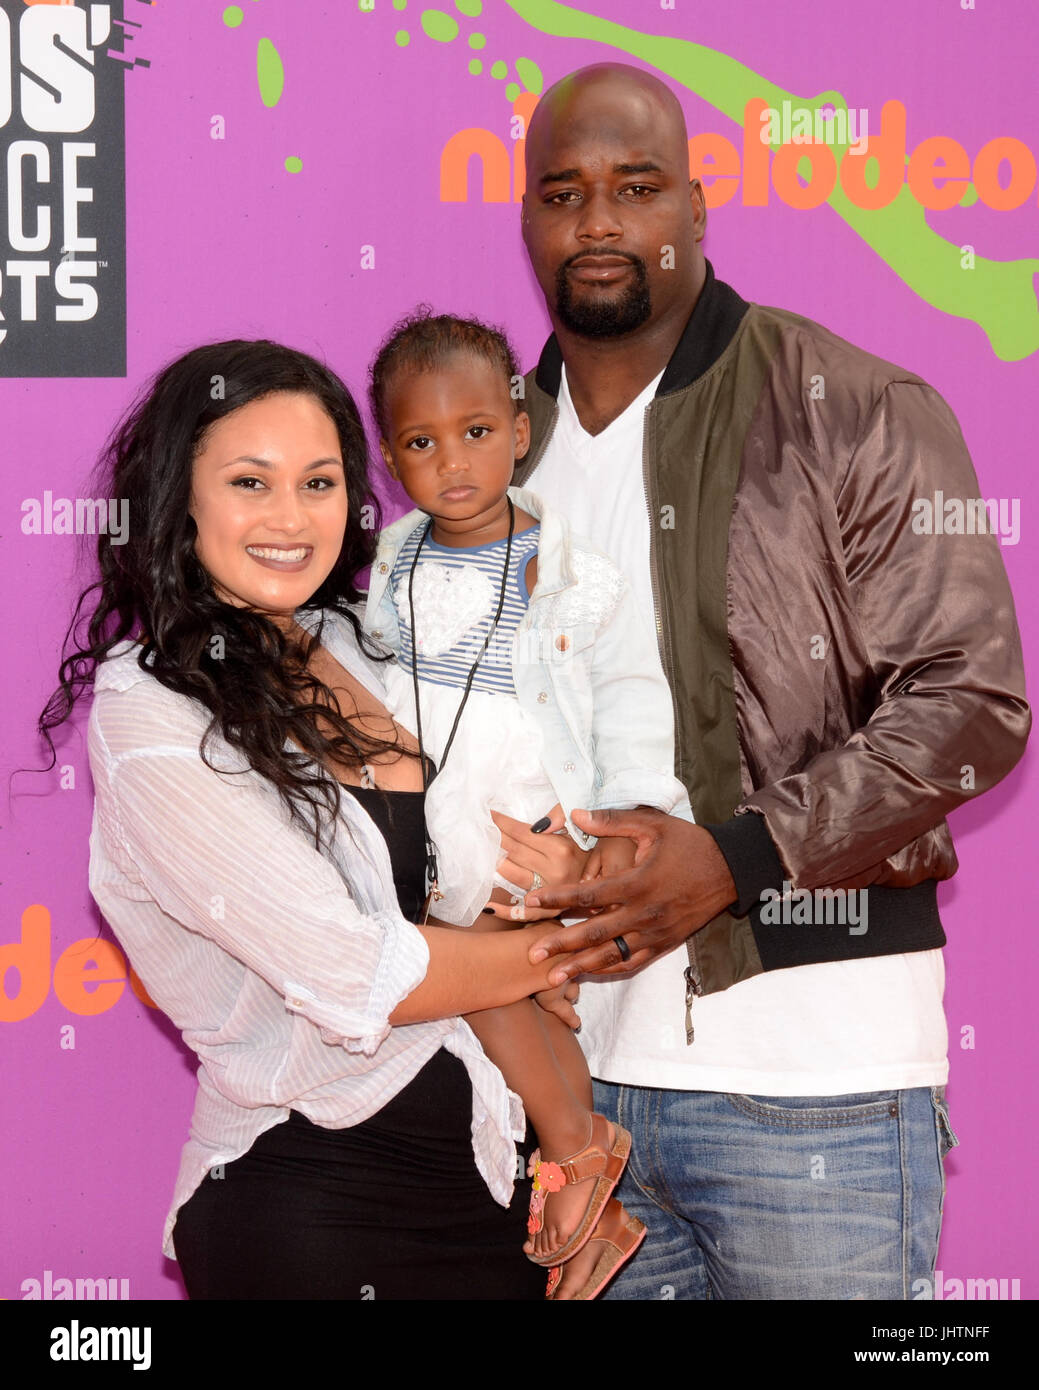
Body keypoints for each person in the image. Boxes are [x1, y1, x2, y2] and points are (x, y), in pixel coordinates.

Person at [499, 62, 1030, 1299]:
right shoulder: (486, 454)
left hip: (816, 1086)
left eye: (637, 186)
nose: (598, 221)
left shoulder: (851, 405)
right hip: (575, 1108)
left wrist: (742, 857)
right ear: (525, 218)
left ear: (696, 206)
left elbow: (971, 701)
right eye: (563, 193)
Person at [38, 338, 603, 1301]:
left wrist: (556, 883)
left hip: (493, 1188)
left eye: (319, 482)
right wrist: (571, 946)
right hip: (316, 1210)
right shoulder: (151, 710)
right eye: (249, 483)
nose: (291, 519)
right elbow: (354, 971)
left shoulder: (368, 640)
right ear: (180, 499)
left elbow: (474, 865)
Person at [363, 307, 693, 1297]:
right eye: (420, 443)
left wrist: (608, 836)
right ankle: (582, 1166)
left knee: (493, 979)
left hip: (523, 814)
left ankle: (575, 1151)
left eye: (474, 431)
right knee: (509, 992)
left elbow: (625, 705)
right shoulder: (390, 561)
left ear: (517, 429)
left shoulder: (569, 566)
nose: (451, 461)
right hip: (430, 808)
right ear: (391, 458)